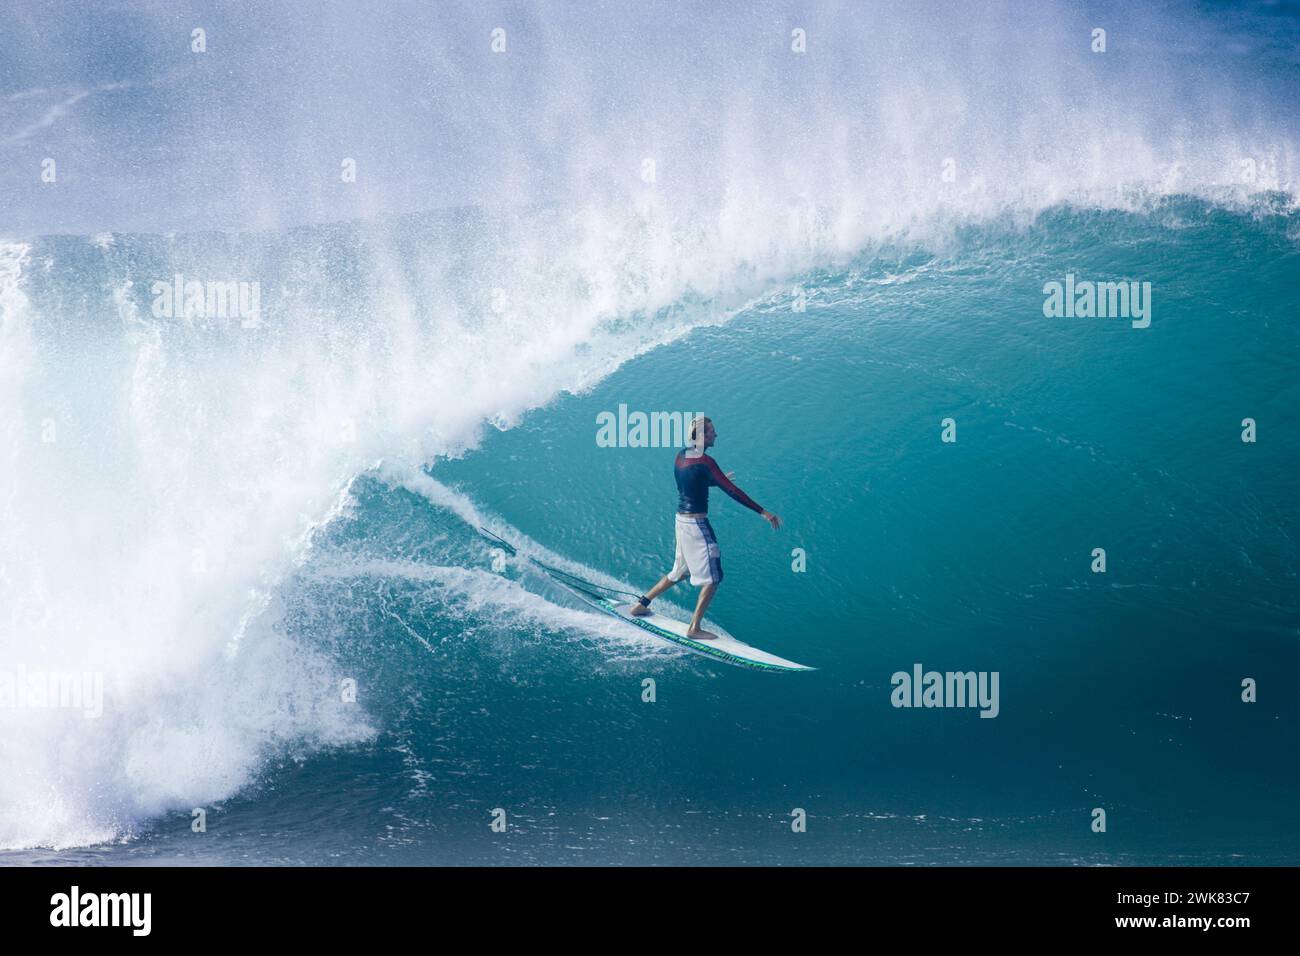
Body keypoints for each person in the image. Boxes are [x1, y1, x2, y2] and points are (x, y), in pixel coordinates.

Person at [630, 415, 780, 638]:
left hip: (681, 521)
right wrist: (763, 512)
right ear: (701, 436)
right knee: (713, 577)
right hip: (696, 525)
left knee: (679, 571)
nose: (716, 434)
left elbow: (691, 481)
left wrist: (715, 480)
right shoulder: (706, 462)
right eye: (712, 431)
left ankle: (641, 605)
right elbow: (732, 491)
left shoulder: (681, 456)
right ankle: (694, 628)